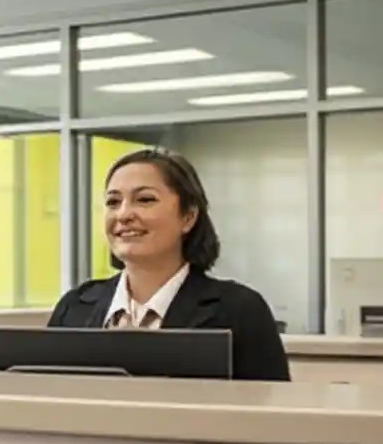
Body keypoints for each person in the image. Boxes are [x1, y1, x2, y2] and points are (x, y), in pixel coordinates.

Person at [47, 147, 290, 381]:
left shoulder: (240, 311)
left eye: (144, 199)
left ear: (188, 217)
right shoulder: (74, 308)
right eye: (113, 202)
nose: (123, 215)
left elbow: (272, 414)